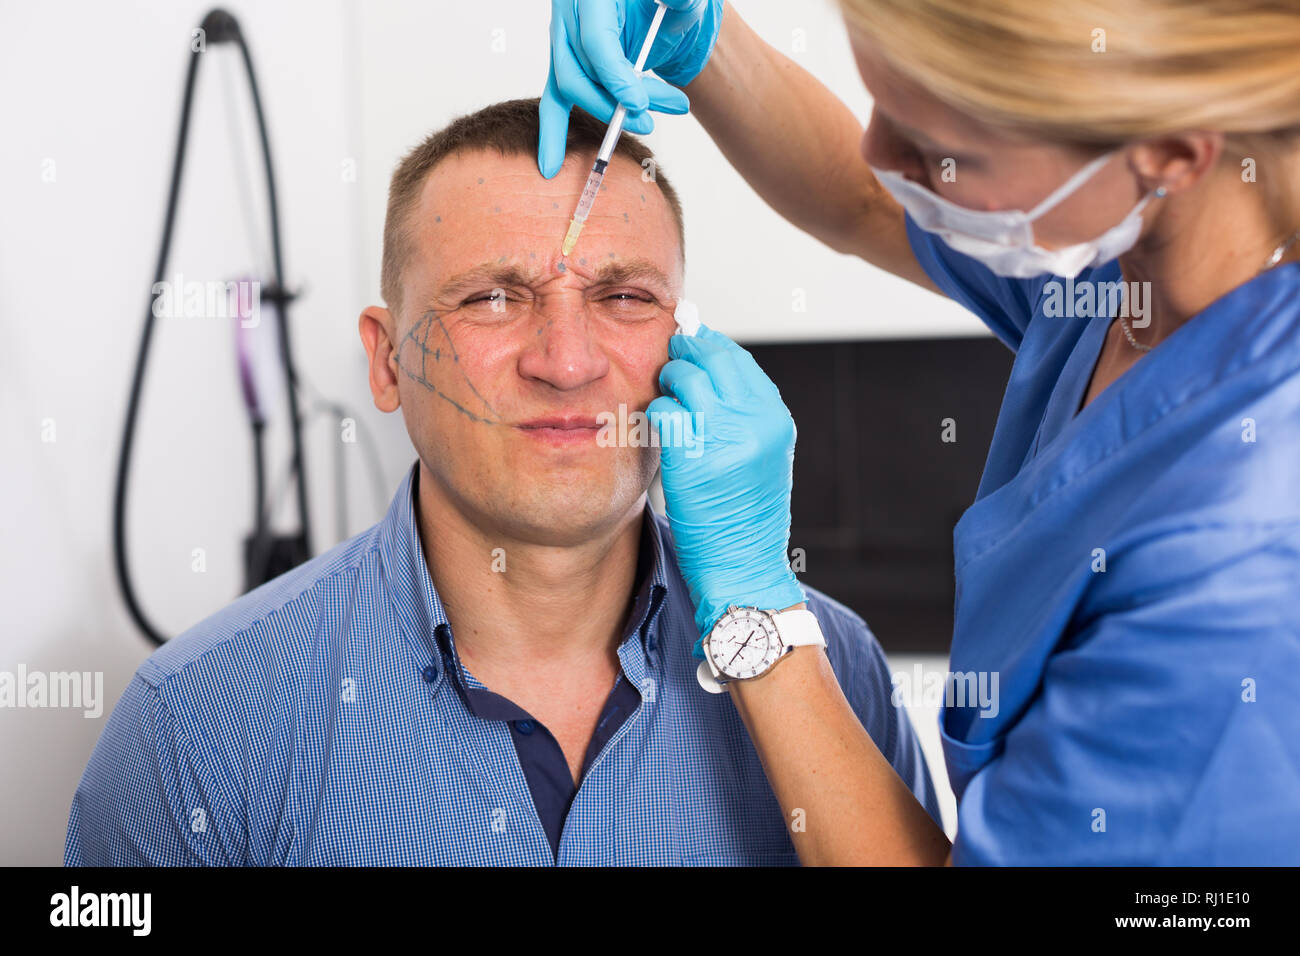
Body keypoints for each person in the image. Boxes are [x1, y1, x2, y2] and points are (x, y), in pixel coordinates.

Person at [64, 98, 939, 866]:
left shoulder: (831, 671)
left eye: (626, 297)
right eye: (492, 297)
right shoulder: (193, 725)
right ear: (386, 361)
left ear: (686, 343)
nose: (567, 362)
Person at [540, 0, 1300, 864]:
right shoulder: (1124, 261)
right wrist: (707, 39)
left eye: (939, 148)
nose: (880, 154)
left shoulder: (1248, 559)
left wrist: (756, 608)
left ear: (1171, 151)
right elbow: (868, 200)